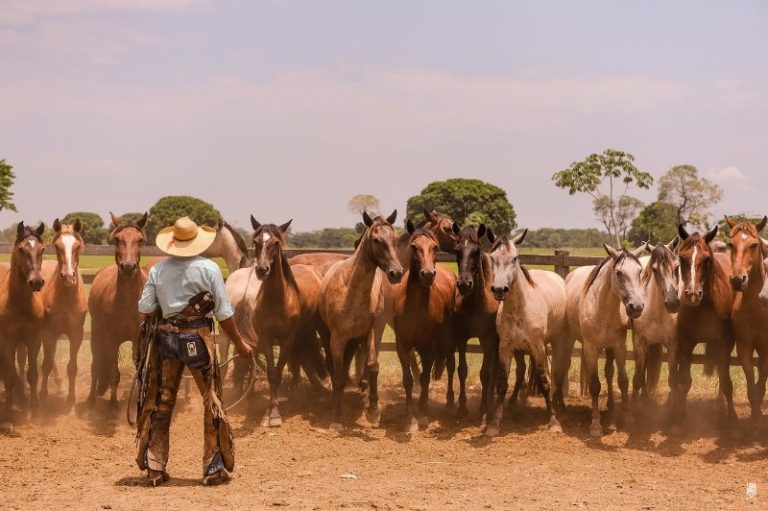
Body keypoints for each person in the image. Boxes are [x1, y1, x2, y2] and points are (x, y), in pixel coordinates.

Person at [135, 216, 253, 486]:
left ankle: (155, 467)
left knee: (162, 403)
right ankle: (213, 467)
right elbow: (224, 312)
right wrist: (240, 343)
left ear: (173, 241)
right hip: (198, 340)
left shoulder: (158, 270)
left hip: (166, 340)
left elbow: (144, 308)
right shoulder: (209, 269)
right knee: (212, 401)